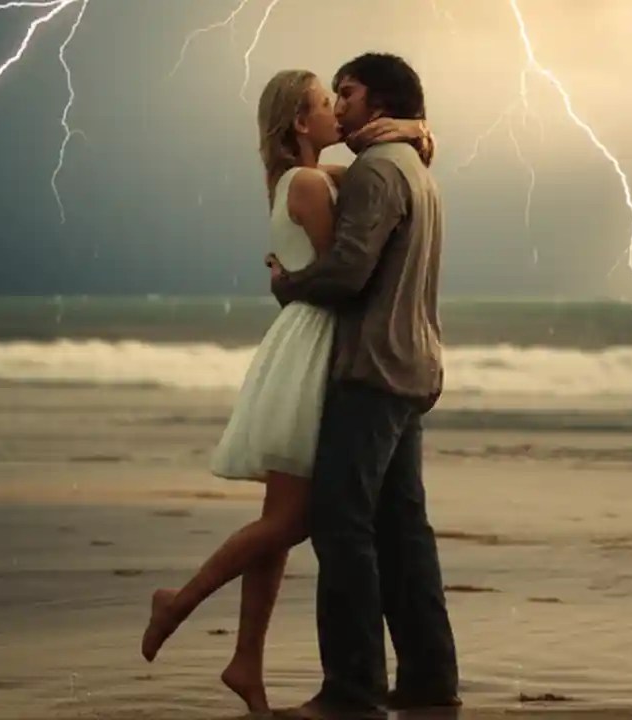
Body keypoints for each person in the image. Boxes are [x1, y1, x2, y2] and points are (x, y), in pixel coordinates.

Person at [139, 67, 432, 714]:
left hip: (297, 342)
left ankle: (246, 661)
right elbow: (340, 275)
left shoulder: (298, 179)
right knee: (296, 519)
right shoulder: (306, 183)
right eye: (328, 105)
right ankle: (180, 601)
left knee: (279, 521)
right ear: (302, 124)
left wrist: (408, 133)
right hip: (316, 345)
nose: (339, 116)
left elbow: (355, 176)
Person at [267, 52, 460, 719]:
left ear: (376, 102)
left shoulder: (381, 170)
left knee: (341, 522)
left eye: (345, 93)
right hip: (415, 367)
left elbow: (349, 271)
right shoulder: (413, 166)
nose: (338, 105)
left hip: (374, 369)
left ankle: (351, 691)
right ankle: (430, 679)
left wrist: (290, 286)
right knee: (403, 527)